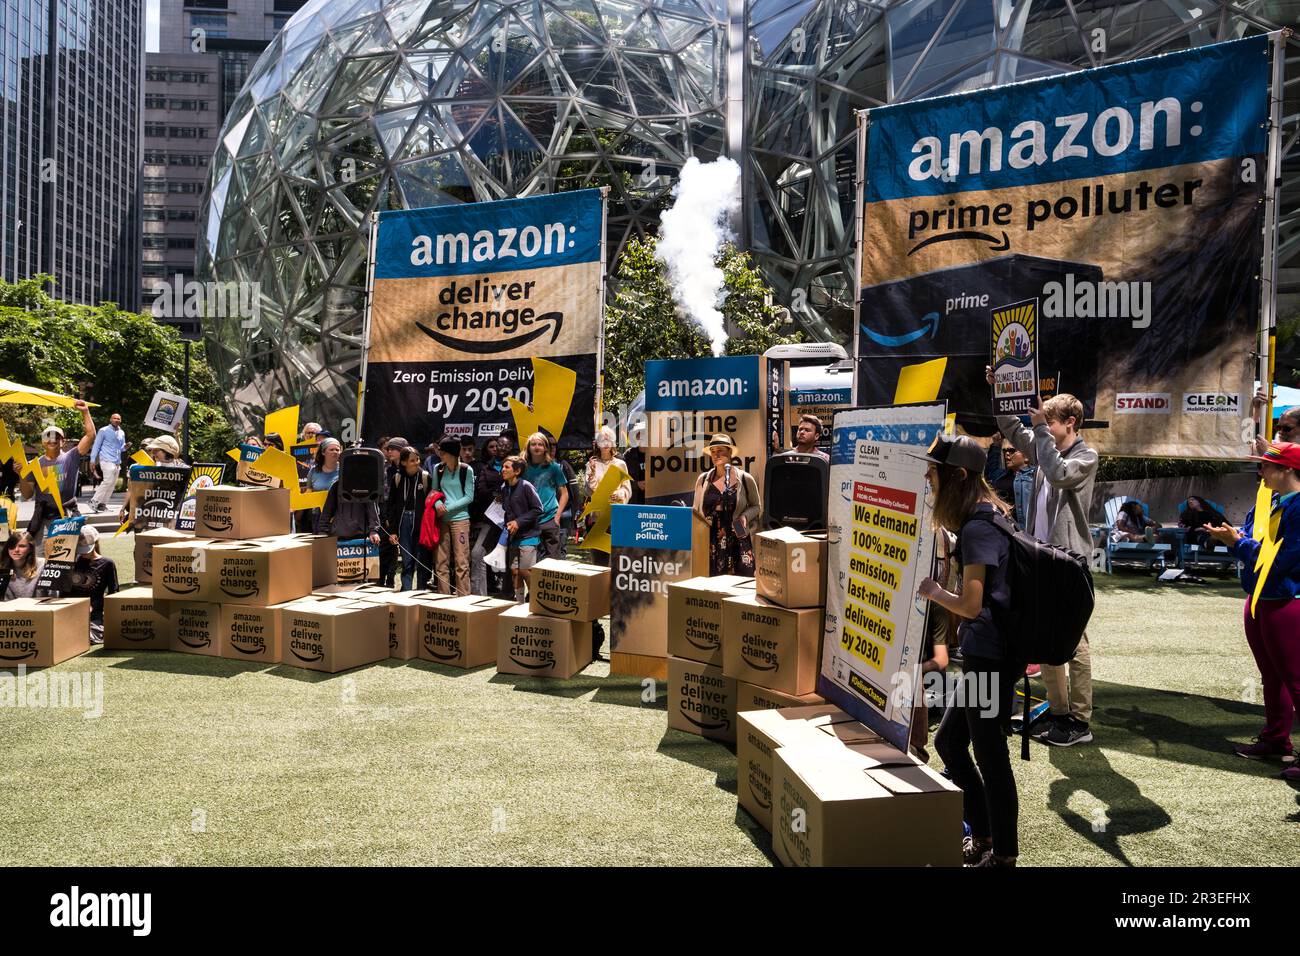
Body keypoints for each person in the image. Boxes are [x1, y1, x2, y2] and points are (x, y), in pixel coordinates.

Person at [917, 434, 1019, 867]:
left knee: (990, 755)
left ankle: (1003, 853)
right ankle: (984, 834)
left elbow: (971, 604)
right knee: (950, 742)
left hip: (992, 658)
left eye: (935, 474)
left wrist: (934, 592)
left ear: (958, 476)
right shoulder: (989, 515)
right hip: (989, 654)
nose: (930, 480)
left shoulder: (978, 527)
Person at [991, 371, 1098, 748]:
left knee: (1075, 642)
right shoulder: (1043, 443)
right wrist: (1000, 391)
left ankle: (1080, 720)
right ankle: (1058, 713)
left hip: (1068, 561)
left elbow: (1057, 473)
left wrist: (1038, 431)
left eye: (1049, 421)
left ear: (1069, 422)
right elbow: (1009, 427)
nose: (1042, 426)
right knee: (1049, 638)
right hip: (1042, 558)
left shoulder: (1086, 455)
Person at [1208, 441, 1300, 783]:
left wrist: (1239, 544)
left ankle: (1281, 739)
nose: (1261, 471)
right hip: (1261, 597)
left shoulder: (1298, 507)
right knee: (1273, 676)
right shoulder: (1271, 500)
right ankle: (1277, 738)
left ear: (1287, 469)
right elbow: (1255, 541)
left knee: (1295, 680)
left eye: (1267, 465)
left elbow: (1284, 561)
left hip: (1285, 601)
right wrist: (1235, 538)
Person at [28, 400, 97, 543]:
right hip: (43, 520)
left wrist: (85, 412)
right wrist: (21, 475)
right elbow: (26, 494)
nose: (52, 440)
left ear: (63, 441)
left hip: (67, 517)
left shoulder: (71, 457)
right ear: (42, 441)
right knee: (41, 560)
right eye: (48, 437)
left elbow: (90, 436)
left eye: (56, 437)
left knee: (69, 559)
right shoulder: (34, 465)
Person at [691, 434, 760, 576]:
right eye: (713, 451)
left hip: (738, 537)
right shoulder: (703, 479)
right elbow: (696, 511)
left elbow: (756, 506)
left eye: (720, 450)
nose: (716, 454)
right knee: (710, 582)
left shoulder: (745, 478)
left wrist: (744, 517)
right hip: (711, 540)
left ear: (730, 452)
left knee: (740, 583)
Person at [385, 446, 432, 591]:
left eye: (417, 459)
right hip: (403, 521)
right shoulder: (397, 478)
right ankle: (406, 590)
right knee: (407, 558)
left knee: (421, 557)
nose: (416, 462)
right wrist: (393, 530)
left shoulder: (425, 477)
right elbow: (391, 505)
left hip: (421, 521)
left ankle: (421, 590)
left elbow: (431, 502)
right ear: (404, 462)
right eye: (412, 460)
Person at [584, 426, 632, 567]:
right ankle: (598, 589)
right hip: (597, 519)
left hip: (616, 517)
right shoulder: (591, 464)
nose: (605, 443)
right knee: (599, 563)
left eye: (608, 439)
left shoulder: (620, 464)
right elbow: (588, 491)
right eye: (602, 440)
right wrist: (592, 474)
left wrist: (618, 495)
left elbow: (626, 489)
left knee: (616, 561)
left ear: (613, 443)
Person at [432, 436, 474, 595]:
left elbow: (469, 497)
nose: (440, 454)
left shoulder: (466, 470)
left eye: (443, 452)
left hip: (460, 520)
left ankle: (463, 598)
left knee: (461, 561)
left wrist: (447, 508)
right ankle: (443, 597)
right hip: (441, 519)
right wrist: (437, 504)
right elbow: (435, 491)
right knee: (440, 562)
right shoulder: (438, 468)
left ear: (451, 453)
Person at [63, 526, 119, 645]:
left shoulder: (107, 564)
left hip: (94, 616)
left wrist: (98, 609)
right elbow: (64, 591)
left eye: (85, 549)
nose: (83, 553)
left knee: (85, 633)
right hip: (70, 612)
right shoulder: (71, 562)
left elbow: (113, 593)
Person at [500, 455, 542, 600]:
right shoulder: (504, 488)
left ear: (517, 471)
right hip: (513, 537)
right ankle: (519, 602)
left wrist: (518, 522)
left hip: (528, 536)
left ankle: (535, 598)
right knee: (515, 571)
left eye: (507, 467)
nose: (502, 470)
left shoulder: (526, 486)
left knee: (525, 570)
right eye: (502, 467)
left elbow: (538, 509)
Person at [523, 432, 569, 560]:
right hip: (530, 519)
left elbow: (565, 494)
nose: (537, 447)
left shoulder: (553, 467)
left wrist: (557, 517)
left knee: (552, 562)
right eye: (533, 444)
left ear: (545, 448)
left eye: (540, 444)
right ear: (528, 447)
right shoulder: (522, 466)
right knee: (530, 561)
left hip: (550, 518)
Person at [118, 435, 184, 525]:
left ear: (168, 450)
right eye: (152, 450)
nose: (153, 453)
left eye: (156, 450)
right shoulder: (145, 470)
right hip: (149, 520)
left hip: (171, 520)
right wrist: (127, 511)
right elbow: (133, 491)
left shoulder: (183, 470)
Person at [470, 437, 505, 596]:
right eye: (494, 446)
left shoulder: (520, 465)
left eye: (504, 446)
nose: (498, 449)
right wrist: (496, 493)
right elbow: (481, 491)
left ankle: (510, 597)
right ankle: (478, 597)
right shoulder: (486, 468)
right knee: (478, 553)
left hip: (515, 522)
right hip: (491, 519)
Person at [319, 479, 383, 552]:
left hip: (361, 537)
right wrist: (323, 532)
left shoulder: (366, 486)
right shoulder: (336, 486)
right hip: (339, 536)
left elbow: (372, 510)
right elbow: (327, 510)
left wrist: (374, 531)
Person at [378, 437, 407, 588]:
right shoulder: (387, 470)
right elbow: (385, 494)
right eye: (387, 449)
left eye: (392, 448)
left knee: (403, 551)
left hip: (405, 514)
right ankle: (382, 580)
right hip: (387, 513)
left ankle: (396, 581)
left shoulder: (408, 469)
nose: (389, 451)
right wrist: (387, 515)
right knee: (385, 548)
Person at [299, 437, 342, 532]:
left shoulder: (344, 470)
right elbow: (309, 492)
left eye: (337, 450)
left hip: (338, 515)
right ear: (323, 452)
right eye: (331, 450)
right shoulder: (313, 471)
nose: (335, 452)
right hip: (317, 516)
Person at [88, 412, 127, 513]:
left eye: (118, 419)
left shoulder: (122, 432)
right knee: (108, 481)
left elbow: (121, 448)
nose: (116, 420)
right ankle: (94, 501)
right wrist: (92, 459)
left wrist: (125, 447)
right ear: (110, 419)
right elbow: (96, 445)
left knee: (112, 484)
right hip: (106, 460)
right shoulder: (103, 430)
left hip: (117, 462)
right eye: (114, 418)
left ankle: (102, 505)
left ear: (120, 420)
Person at [550, 435, 581, 545]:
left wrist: (576, 512)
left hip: (564, 512)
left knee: (561, 546)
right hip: (545, 512)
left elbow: (575, 490)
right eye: (549, 444)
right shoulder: (537, 466)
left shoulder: (564, 465)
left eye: (554, 445)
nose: (552, 447)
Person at [1, 531, 44, 600]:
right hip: (8, 609)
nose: (16, 550)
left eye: (22, 546)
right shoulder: (2, 568)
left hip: (37, 609)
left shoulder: (43, 565)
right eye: (12, 546)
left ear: (30, 549)